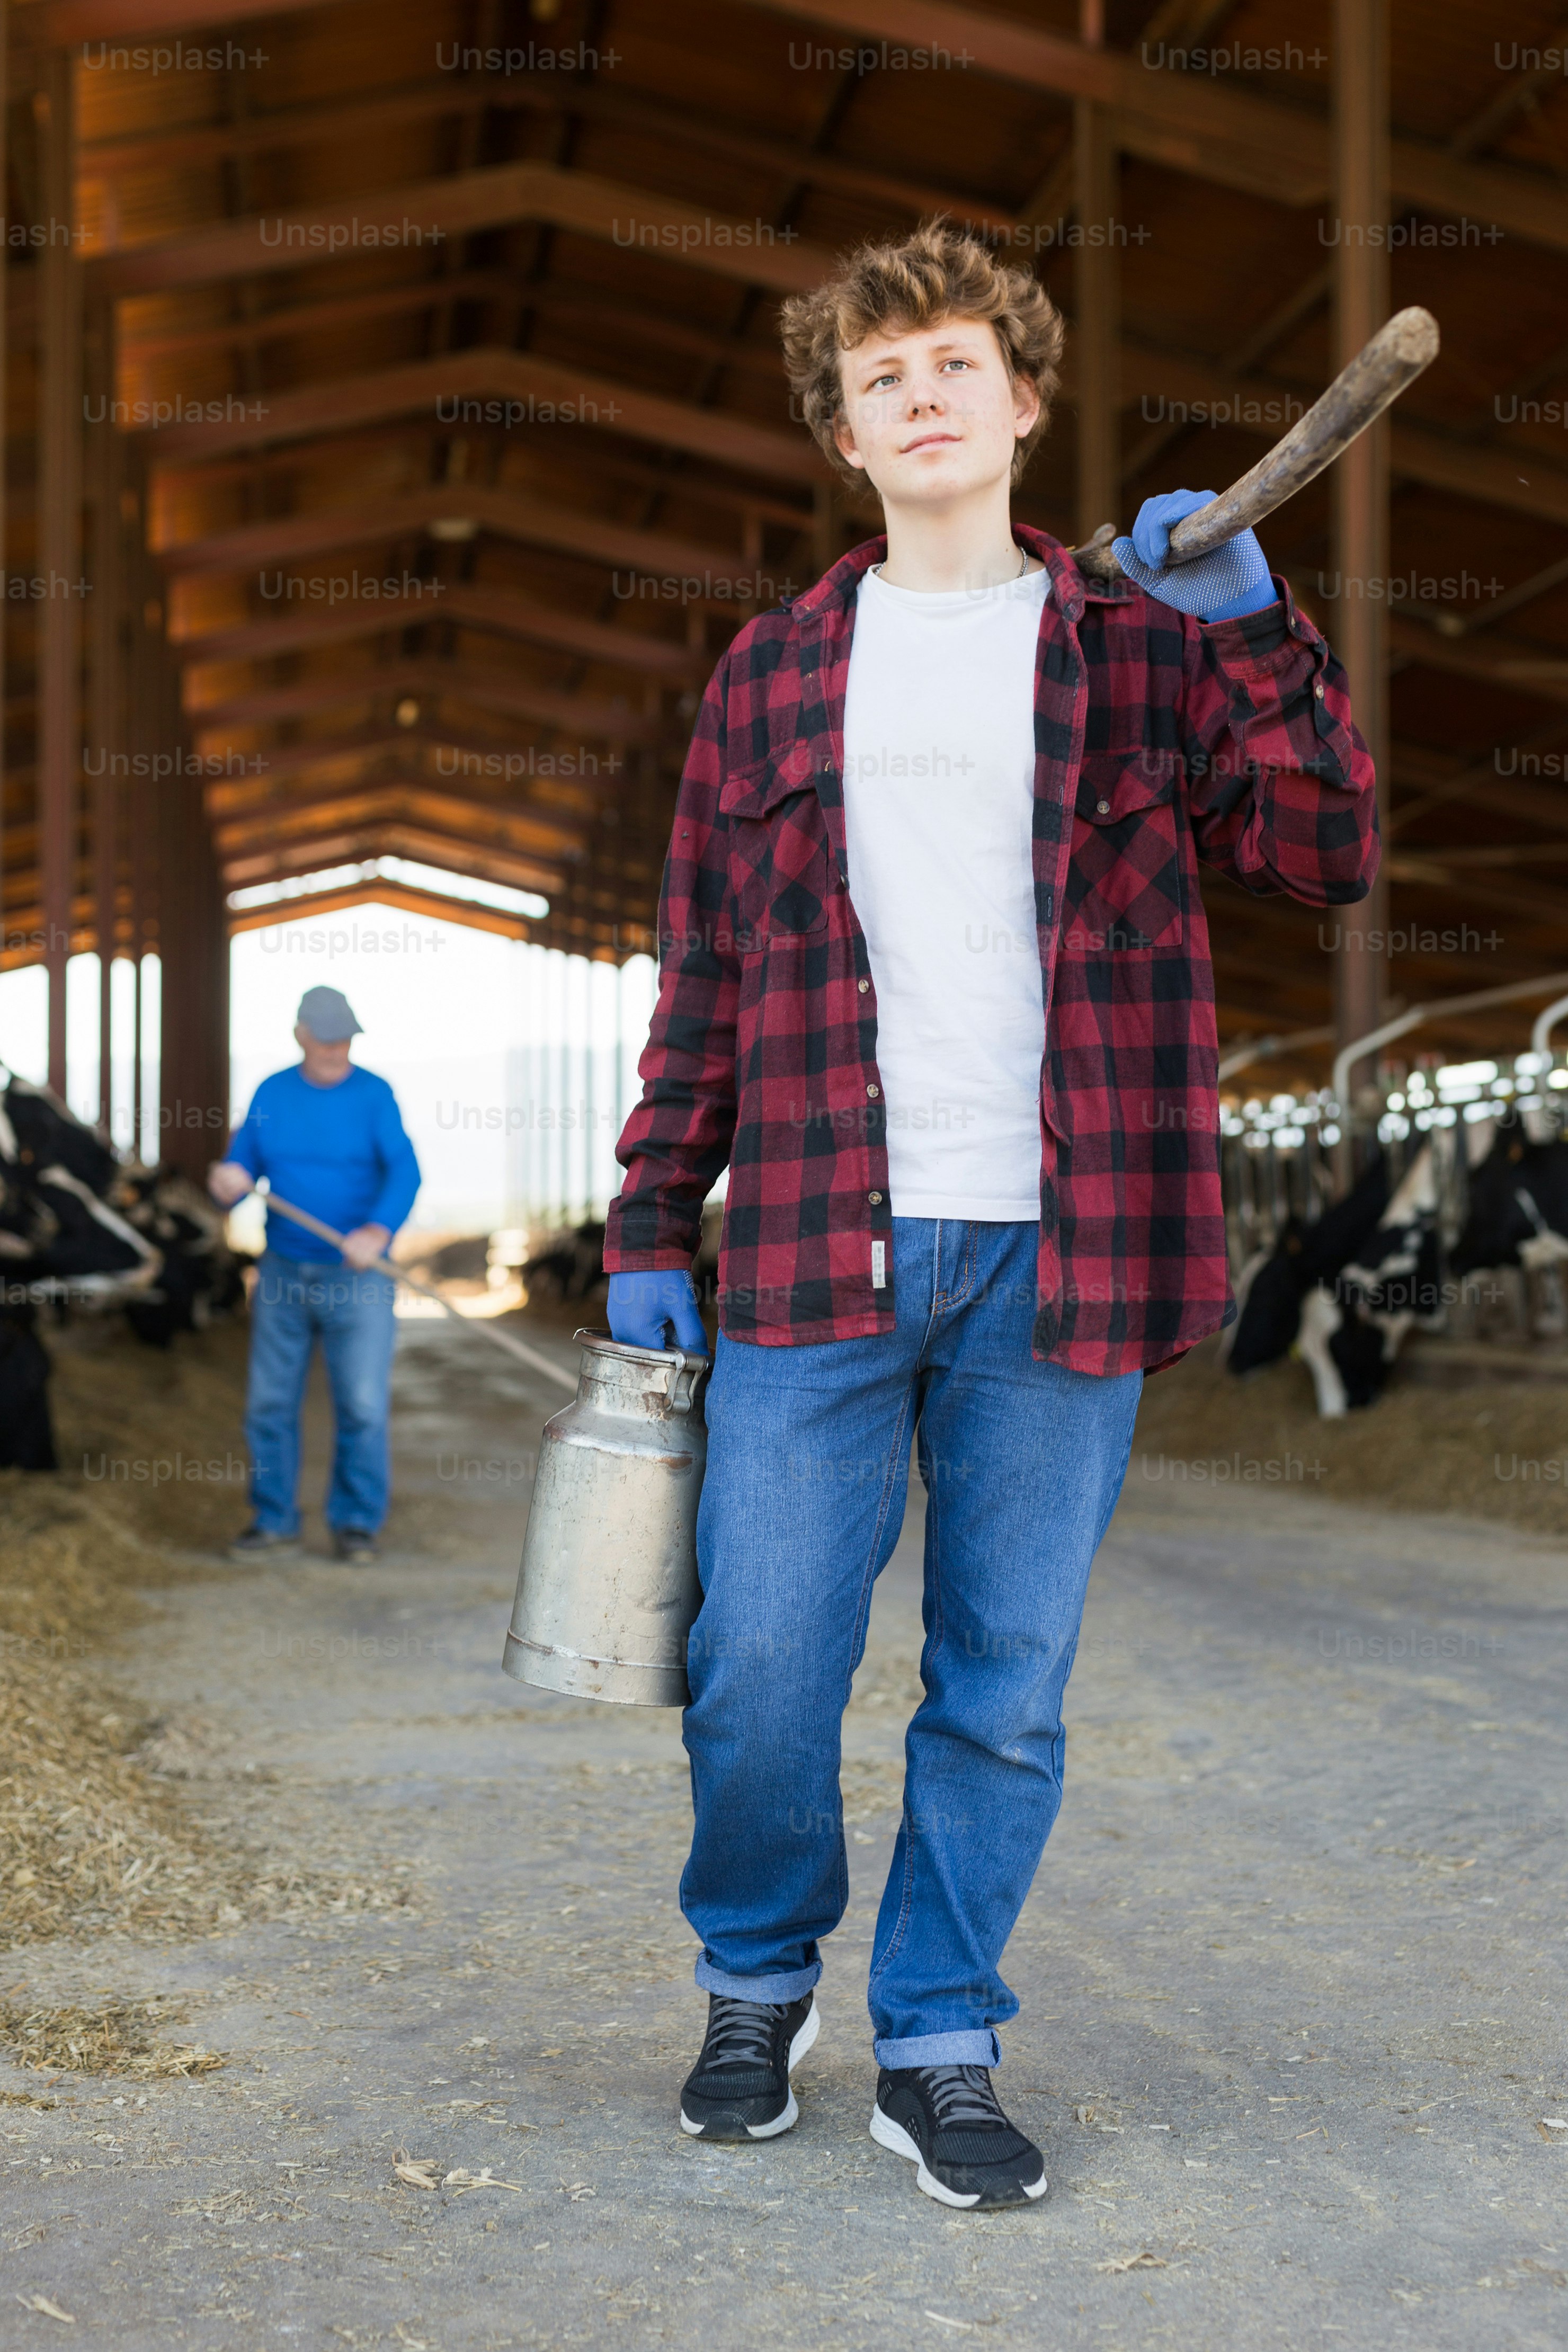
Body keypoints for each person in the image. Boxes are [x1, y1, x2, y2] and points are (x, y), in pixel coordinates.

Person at [600, 222, 1378, 2210]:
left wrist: (1255, 627)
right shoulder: (772, 676)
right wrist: (642, 1215)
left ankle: (938, 2034)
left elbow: (1328, 849)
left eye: (956, 362)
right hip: (805, 1243)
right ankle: (754, 1977)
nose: (921, 394)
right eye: (880, 378)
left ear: (1024, 402)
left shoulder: (1142, 649)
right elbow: (702, 966)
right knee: (761, 1659)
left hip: (1073, 1241)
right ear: (844, 434)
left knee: (1003, 1680)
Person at [209, 985, 421, 1566]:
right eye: (325, 1040)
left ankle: (355, 1524)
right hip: (282, 1273)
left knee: (361, 1405)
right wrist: (227, 1182)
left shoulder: (374, 1095)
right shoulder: (272, 1093)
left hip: (359, 1275)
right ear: (300, 1034)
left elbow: (404, 1170)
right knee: (269, 1403)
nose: (335, 1051)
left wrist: (377, 1230)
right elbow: (239, 1168)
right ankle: (273, 1519)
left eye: (345, 1040)